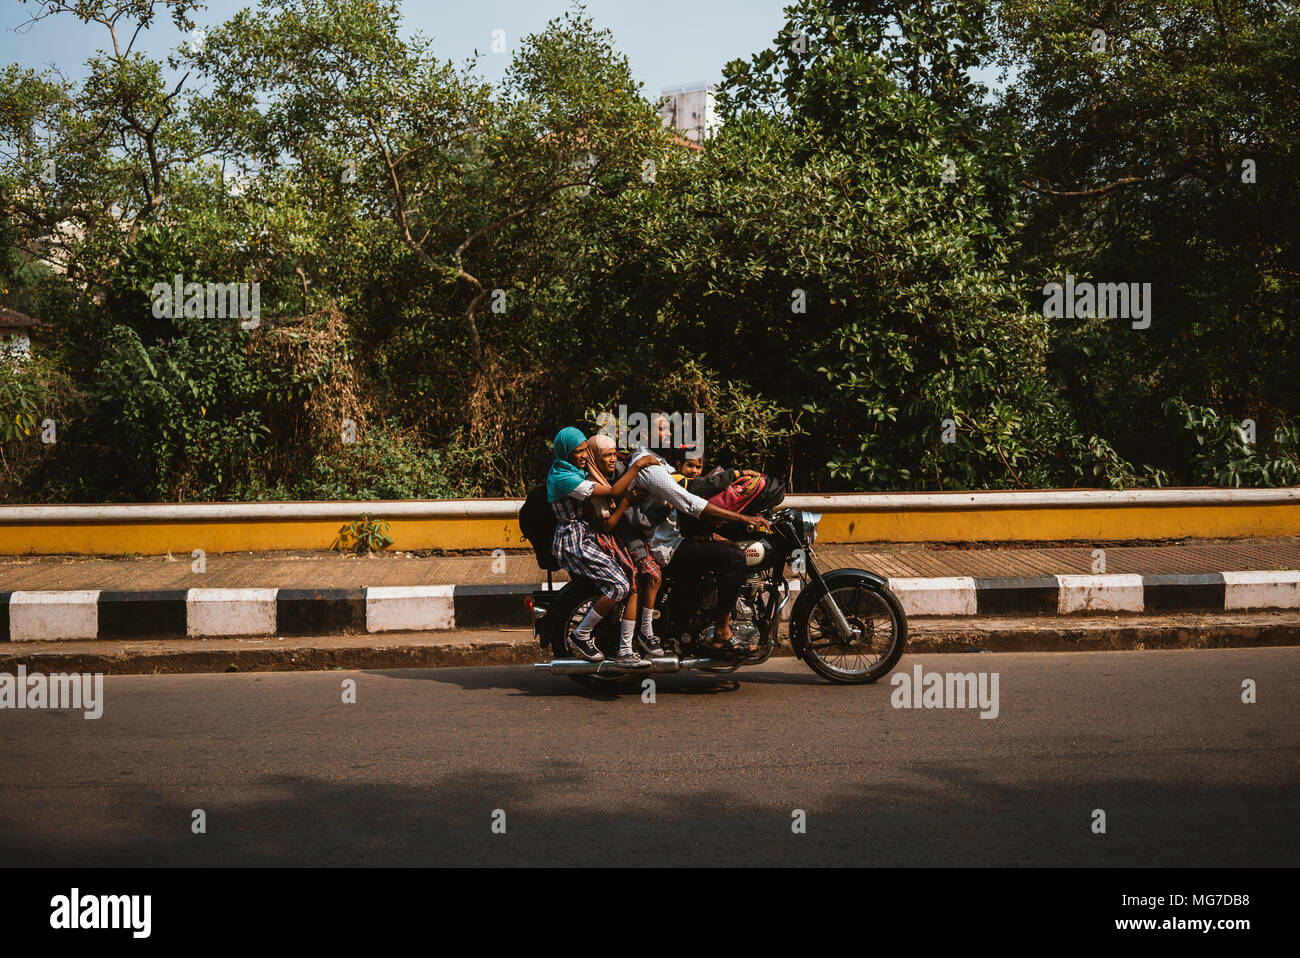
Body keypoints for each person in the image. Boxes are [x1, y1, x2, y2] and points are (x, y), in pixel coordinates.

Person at [624, 412, 772, 656]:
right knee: (734, 556)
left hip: (670, 539)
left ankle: (700, 621)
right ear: (644, 434)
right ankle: (722, 633)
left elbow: (692, 486)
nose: (670, 434)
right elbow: (690, 502)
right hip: (664, 547)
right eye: (663, 429)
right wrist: (743, 518)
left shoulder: (658, 462)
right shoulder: (649, 467)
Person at [546, 427, 649, 668]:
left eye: (584, 450)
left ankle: (625, 650)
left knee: (629, 581)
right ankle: (581, 634)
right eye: (578, 452)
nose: (584, 456)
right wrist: (637, 466)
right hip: (574, 542)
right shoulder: (564, 478)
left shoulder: (573, 471)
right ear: (565, 452)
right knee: (619, 585)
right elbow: (613, 491)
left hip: (585, 537)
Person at [586, 433, 665, 656]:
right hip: (620, 539)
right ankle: (646, 632)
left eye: (613, 454)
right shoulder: (595, 486)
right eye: (606, 456)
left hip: (636, 534)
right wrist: (627, 500)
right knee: (652, 575)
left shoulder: (618, 470)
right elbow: (608, 525)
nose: (612, 460)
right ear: (593, 457)